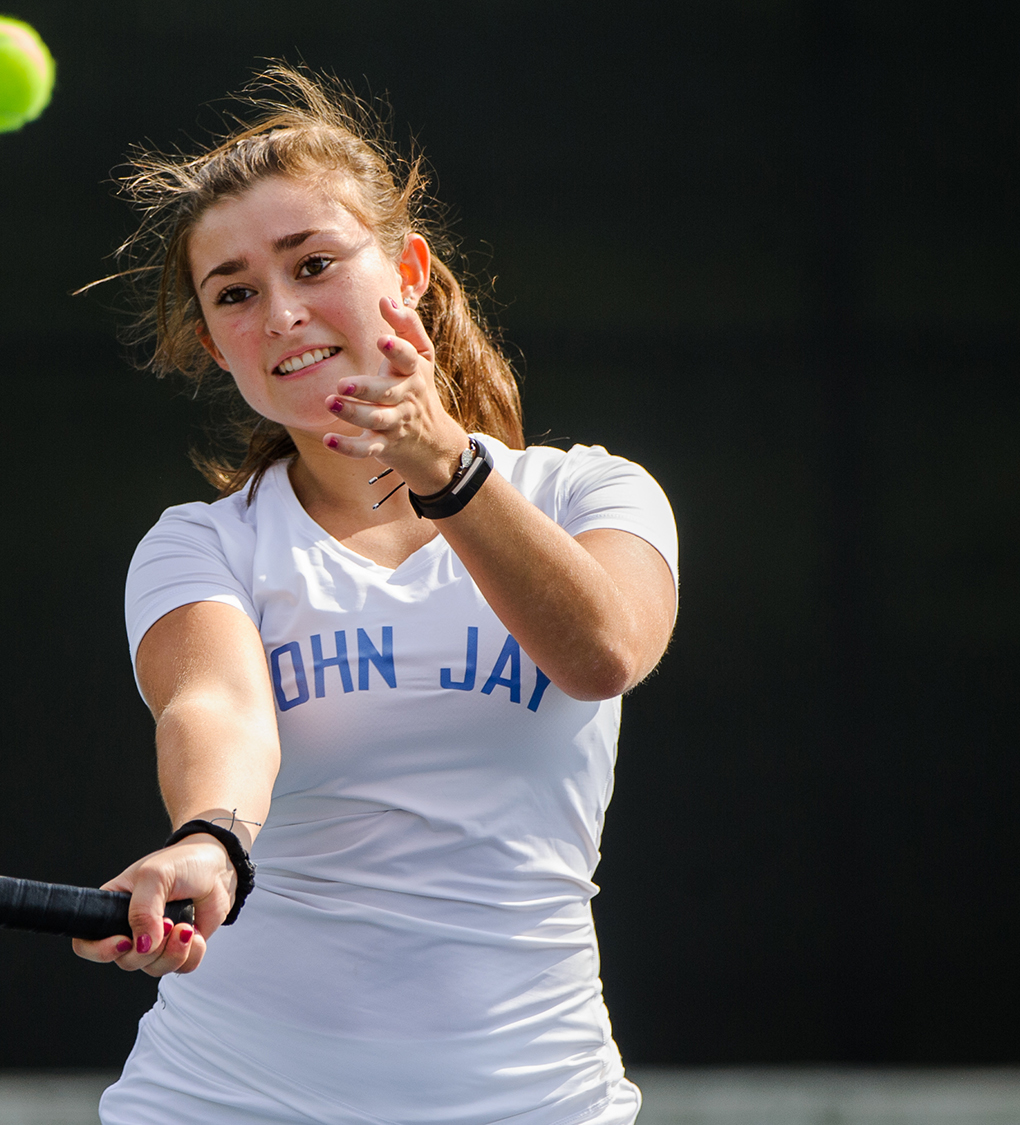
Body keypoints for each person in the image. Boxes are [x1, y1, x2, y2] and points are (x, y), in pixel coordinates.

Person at [72, 66, 680, 1125]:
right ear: (218, 346)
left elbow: (601, 653)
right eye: (235, 293)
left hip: (532, 1100)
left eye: (313, 263)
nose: (282, 312)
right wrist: (207, 838)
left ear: (404, 269)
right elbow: (216, 710)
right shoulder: (198, 547)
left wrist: (447, 467)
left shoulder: (590, 492)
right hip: (224, 1100)